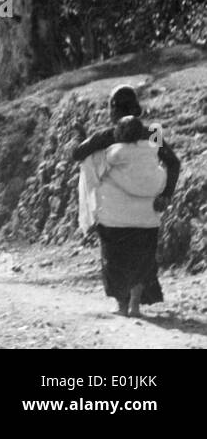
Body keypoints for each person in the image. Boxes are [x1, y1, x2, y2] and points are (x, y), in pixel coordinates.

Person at [72, 85, 180, 317]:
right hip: (147, 214)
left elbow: (77, 155)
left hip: (114, 216)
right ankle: (135, 305)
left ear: (114, 108)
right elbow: (174, 163)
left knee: (116, 258)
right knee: (142, 258)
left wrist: (81, 136)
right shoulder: (153, 132)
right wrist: (166, 195)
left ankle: (121, 306)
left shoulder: (108, 135)